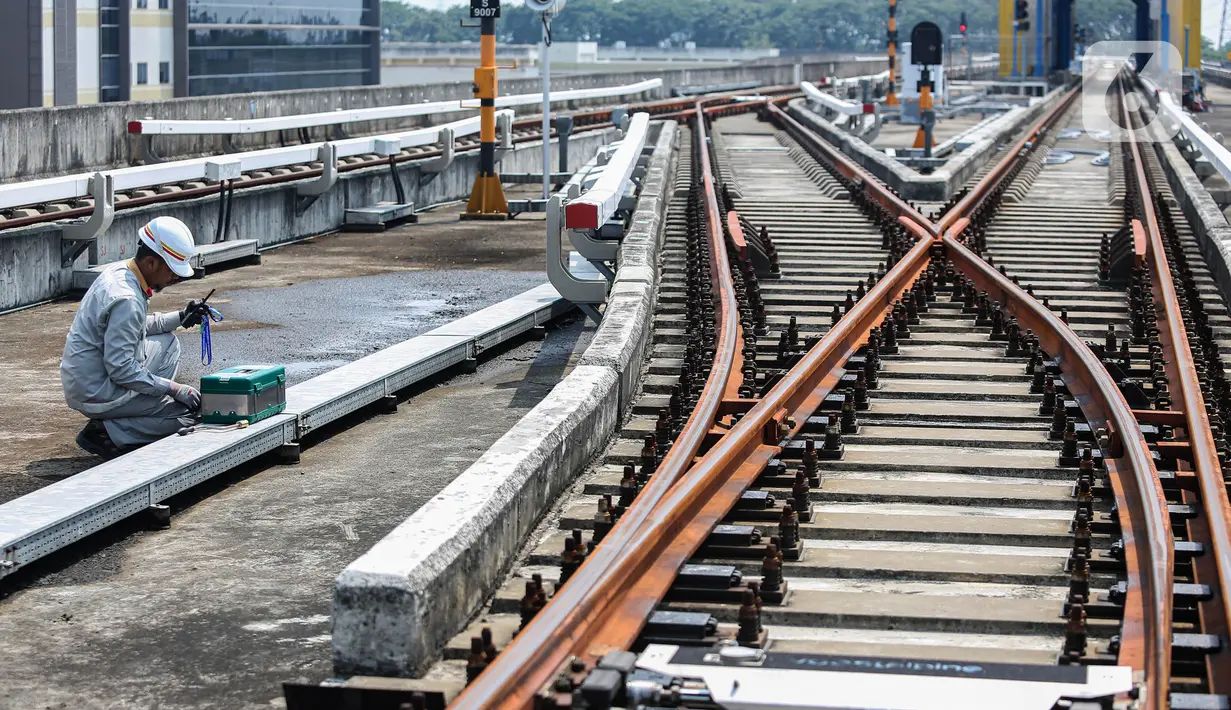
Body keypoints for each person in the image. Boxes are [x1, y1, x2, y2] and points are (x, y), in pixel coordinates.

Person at [61, 216, 211, 459]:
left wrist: (181, 317)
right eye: (172, 272)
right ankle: (111, 432)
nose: (176, 279)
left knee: (169, 344)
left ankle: (127, 416)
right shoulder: (128, 299)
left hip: (88, 376)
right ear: (152, 262)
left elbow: (136, 329)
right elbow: (121, 370)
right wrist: (173, 389)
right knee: (187, 414)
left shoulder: (121, 272)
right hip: (96, 389)